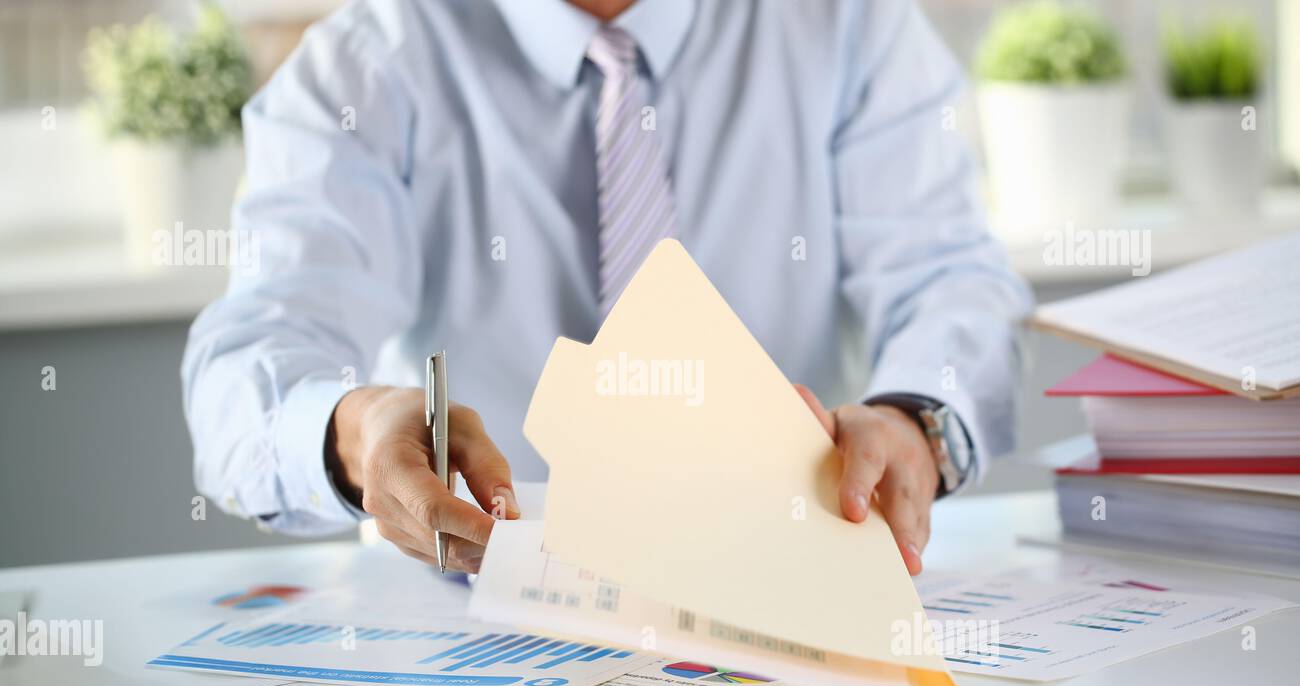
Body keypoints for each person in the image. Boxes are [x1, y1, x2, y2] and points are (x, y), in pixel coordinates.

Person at [182, 0, 1032, 575]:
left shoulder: (848, 25)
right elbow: (250, 363)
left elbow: (949, 278)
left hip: (781, 595)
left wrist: (916, 420)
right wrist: (353, 435)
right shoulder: (369, 62)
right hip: (481, 621)